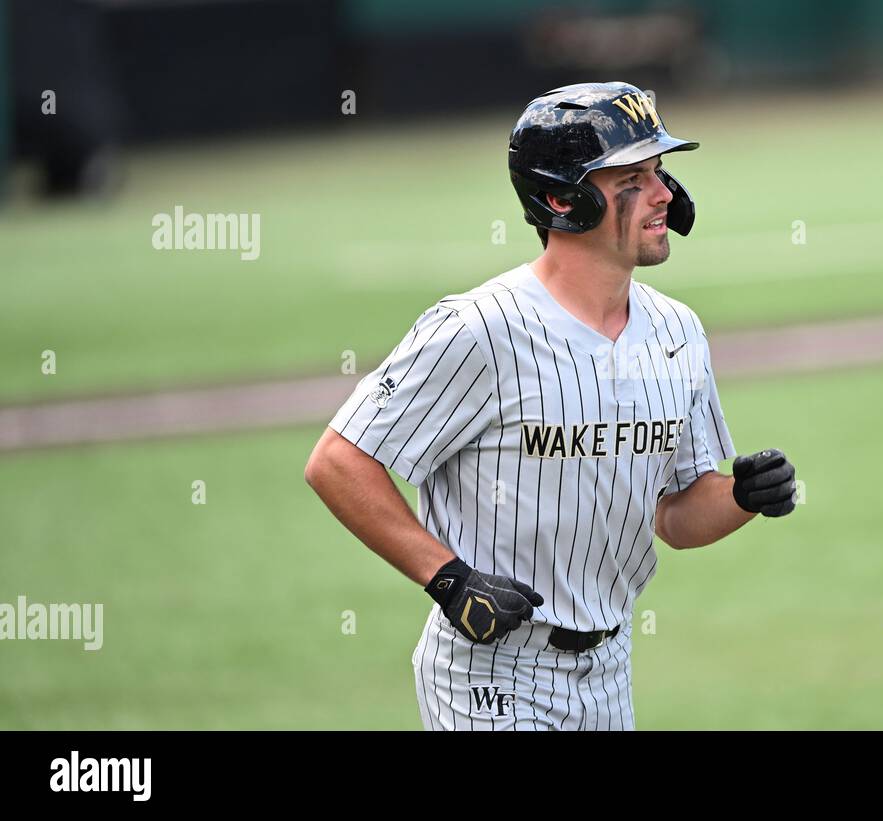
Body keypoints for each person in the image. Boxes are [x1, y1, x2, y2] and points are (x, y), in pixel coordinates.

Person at [304, 81, 799, 730]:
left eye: (660, 173)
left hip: (610, 671)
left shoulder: (679, 333)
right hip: (490, 676)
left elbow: (675, 519)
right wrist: (447, 578)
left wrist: (742, 497)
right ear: (565, 199)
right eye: (634, 178)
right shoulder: (479, 328)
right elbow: (338, 460)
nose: (664, 195)